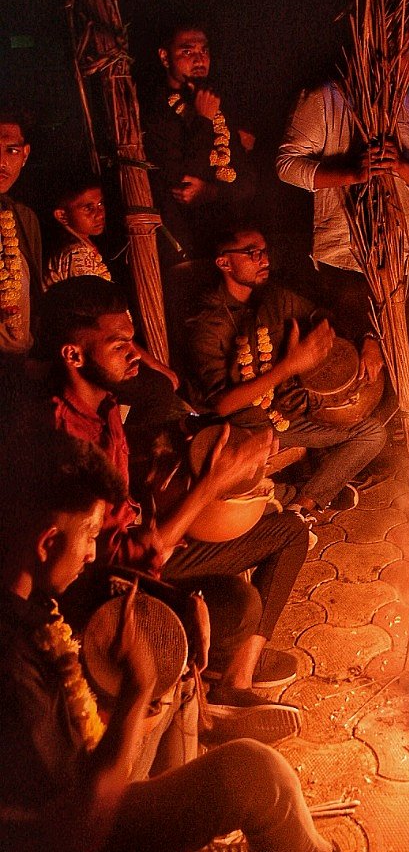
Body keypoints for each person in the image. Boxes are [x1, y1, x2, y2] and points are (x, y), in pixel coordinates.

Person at [0, 427, 409, 852]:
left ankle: (198, 849)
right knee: (255, 772)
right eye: (88, 535)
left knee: (182, 677)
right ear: (46, 542)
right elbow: (78, 831)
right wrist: (133, 698)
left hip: (64, 797)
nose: (90, 552)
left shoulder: (23, 594)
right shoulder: (12, 665)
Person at [38, 276, 309, 717]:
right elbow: (119, 561)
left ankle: (237, 675)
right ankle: (212, 684)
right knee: (241, 606)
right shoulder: (63, 441)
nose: (133, 351)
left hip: (148, 541)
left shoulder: (105, 401)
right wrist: (210, 485)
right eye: (118, 344)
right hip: (107, 591)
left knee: (291, 530)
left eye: (132, 339)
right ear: (73, 354)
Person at [187, 227, 387, 519]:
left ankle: (301, 505)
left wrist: (369, 339)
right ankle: (305, 498)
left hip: (286, 419)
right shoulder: (207, 325)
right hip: (243, 431)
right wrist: (291, 366)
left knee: (372, 433)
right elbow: (223, 405)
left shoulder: (276, 299)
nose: (263, 259)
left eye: (264, 251)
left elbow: (328, 316)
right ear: (224, 263)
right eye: (251, 252)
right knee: (231, 494)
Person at [276, 76, 409, 393]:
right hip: (345, 253)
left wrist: (401, 166)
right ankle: (379, 438)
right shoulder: (327, 97)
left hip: (405, 252)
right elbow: (287, 165)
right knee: (360, 373)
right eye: (406, 50)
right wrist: (353, 173)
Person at [42, 177, 181, 399]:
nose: (99, 213)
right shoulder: (76, 256)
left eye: (100, 204)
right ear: (62, 216)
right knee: (160, 387)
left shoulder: (86, 248)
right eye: (88, 207)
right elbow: (103, 328)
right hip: (92, 359)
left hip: (110, 348)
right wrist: (157, 366)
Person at [142, 21, 257, 259]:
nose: (199, 59)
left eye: (204, 50)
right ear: (165, 57)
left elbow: (248, 183)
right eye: (187, 51)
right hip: (190, 245)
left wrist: (212, 192)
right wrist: (203, 121)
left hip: (235, 234)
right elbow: (184, 186)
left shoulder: (218, 100)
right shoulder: (157, 112)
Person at [0, 107, 42, 408]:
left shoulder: (24, 219)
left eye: (11, 150)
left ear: (25, 155)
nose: (1, 162)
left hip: (21, 366)